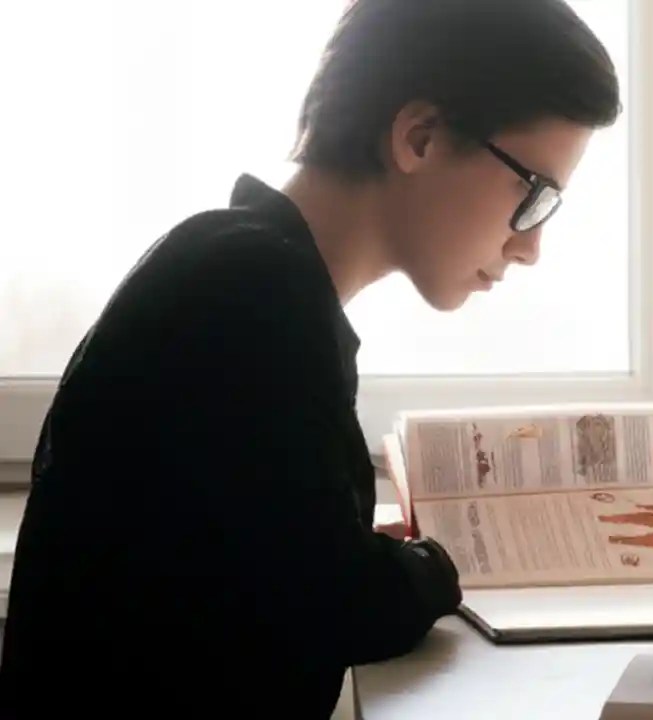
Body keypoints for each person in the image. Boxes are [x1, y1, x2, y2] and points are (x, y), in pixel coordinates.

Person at [0, 0, 620, 716]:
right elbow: (336, 604)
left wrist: (359, 556)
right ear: (419, 137)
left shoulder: (242, 269)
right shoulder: (253, 296)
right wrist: (430, 569)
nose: (530, 246)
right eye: (533, 195)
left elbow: (279, 564)